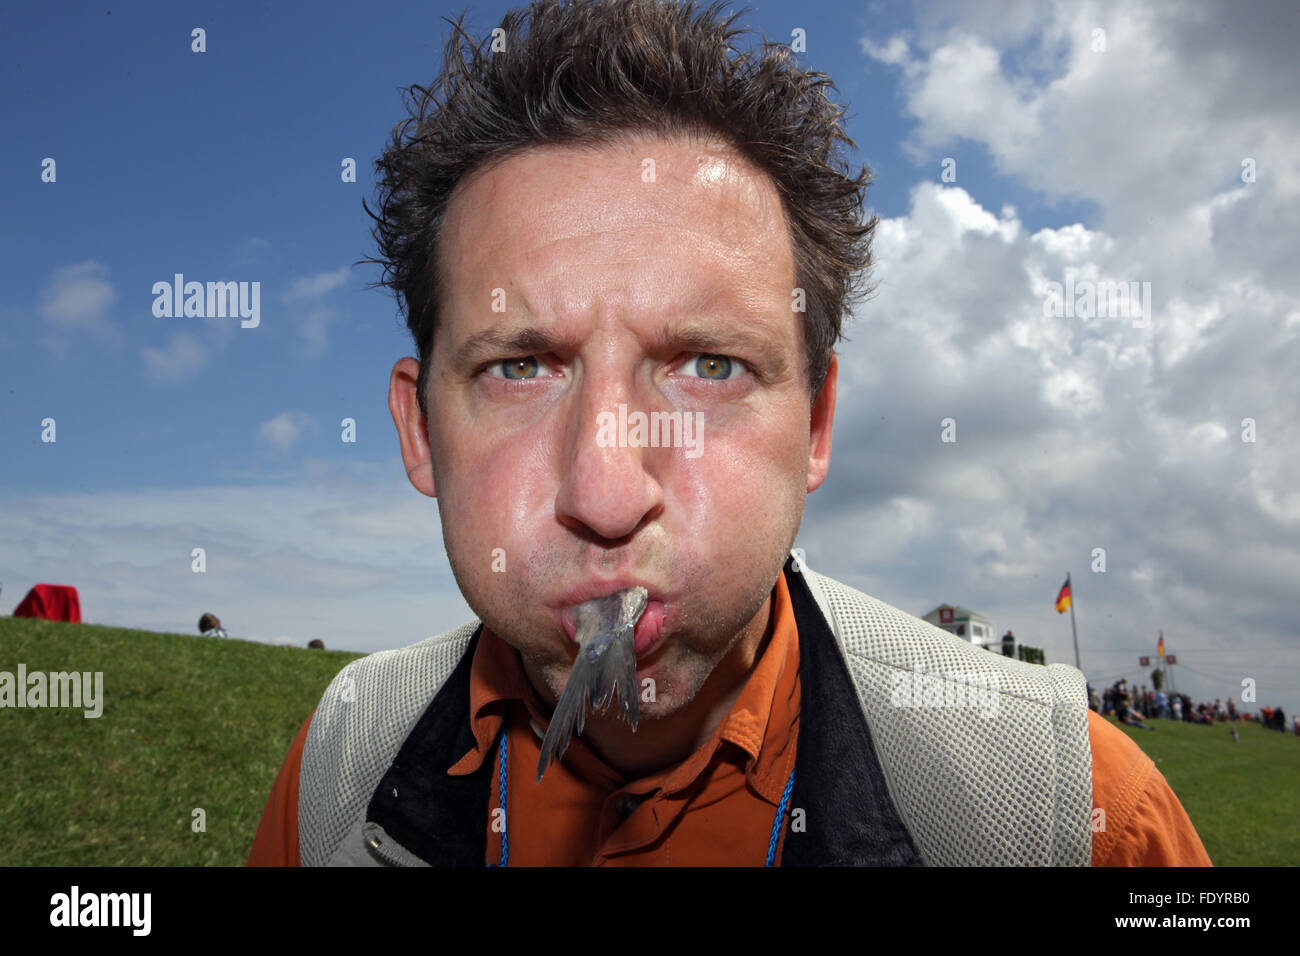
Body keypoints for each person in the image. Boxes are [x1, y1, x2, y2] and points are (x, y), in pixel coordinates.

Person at [247, 0, 1210, 867]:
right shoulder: (339, 772)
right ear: (419, 432)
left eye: (710, 366)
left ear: (817, 424)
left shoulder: (1073, 819)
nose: (607, 492)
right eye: (520, 367)